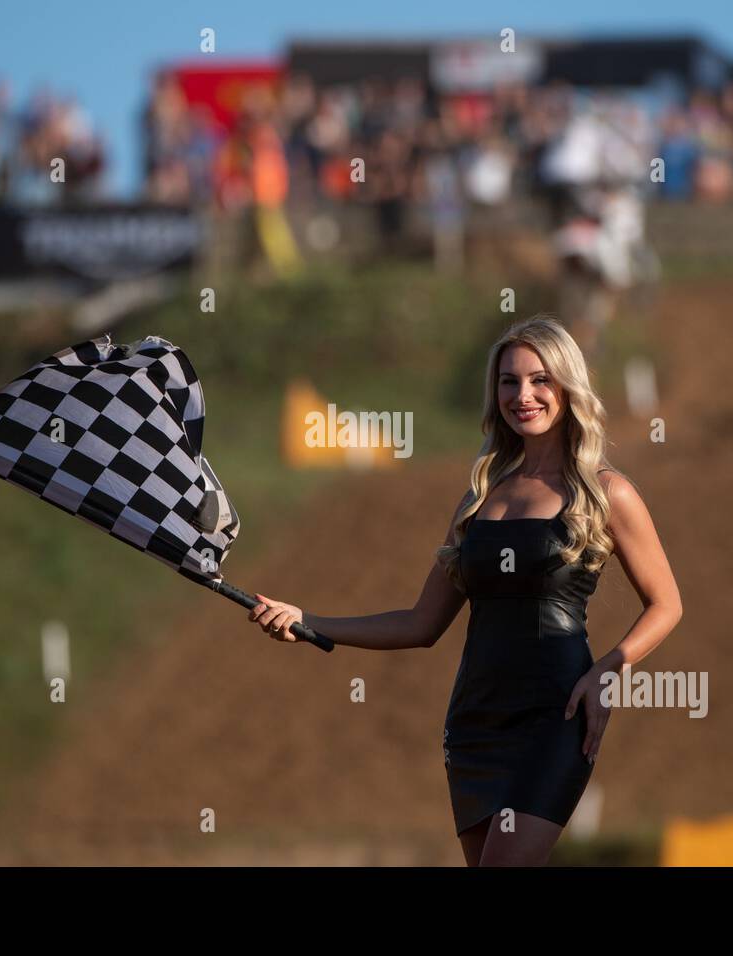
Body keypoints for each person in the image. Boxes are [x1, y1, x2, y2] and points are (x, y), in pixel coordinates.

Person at [247, 315, 682, 866]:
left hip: (556, 714)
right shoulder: (480, 499)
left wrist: (608, 670)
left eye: (539, 379)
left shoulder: (606, 493)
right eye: (509, 381)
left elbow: (667, 603)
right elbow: (420, 624)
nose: (522, 395)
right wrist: (308, 621)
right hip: (475, 725)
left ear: (568, 386)